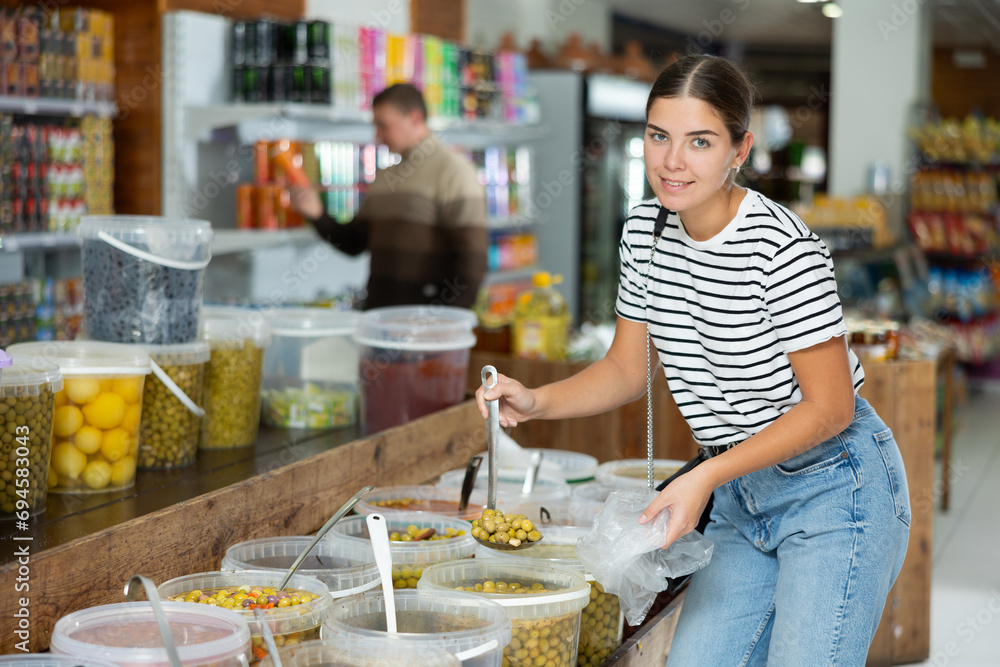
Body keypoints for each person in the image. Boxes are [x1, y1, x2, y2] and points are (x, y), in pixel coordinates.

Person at [475, 55, 909, 665]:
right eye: (659, 136)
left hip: (835, 490)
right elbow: (628, 370)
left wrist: (705, 477)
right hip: (738, 493)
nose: (672, 162)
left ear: (740, 149)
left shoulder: (781, 248)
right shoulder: (644, 231)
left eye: (699, 141)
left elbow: (832, 408)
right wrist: (537, 400)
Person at [289, 83, 488, 310]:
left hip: (425, 327)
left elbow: (472, 262)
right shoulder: (386, 177)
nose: (377, 136)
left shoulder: (454, 171)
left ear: (414, 119)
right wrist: (317, 214)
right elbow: (354, 242)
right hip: (379, 319)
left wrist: (444, 325)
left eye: (383, 126)